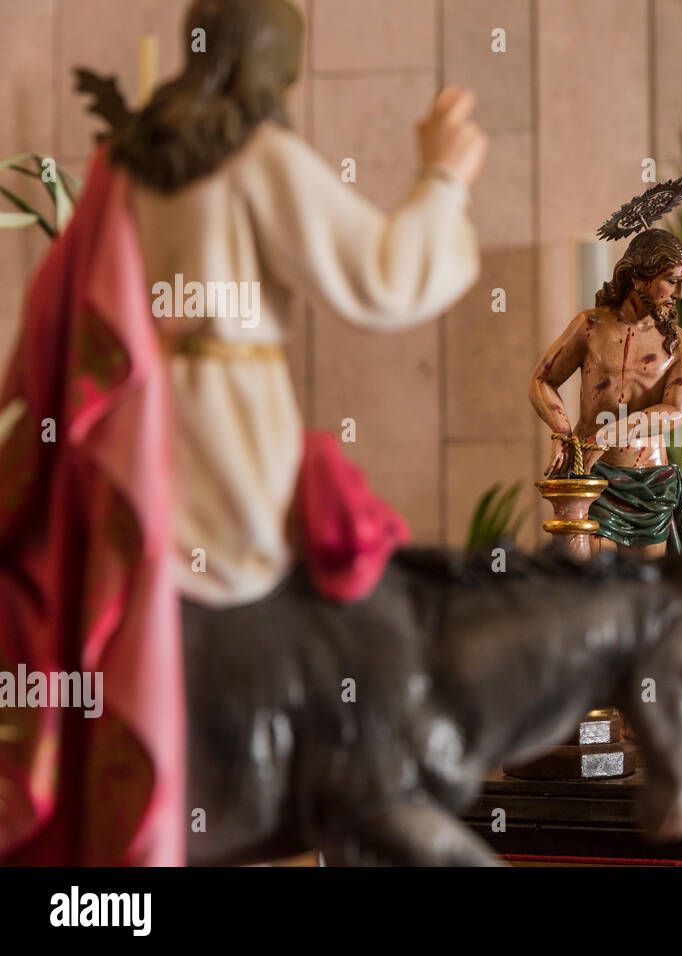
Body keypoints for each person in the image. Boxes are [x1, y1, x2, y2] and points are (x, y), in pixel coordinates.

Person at [0, 0, 486, 864]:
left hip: (135, 443)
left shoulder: (126, 162)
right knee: (312, 594)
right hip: (228, 434)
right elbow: (380, 275)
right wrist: (441, 178)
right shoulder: (257, 159)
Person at [529, 221, 682, 558]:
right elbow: (542, 380)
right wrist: (562, 433)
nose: (679, 295)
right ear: (639, 277)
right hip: (593, 478)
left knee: (647, 593)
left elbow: (677, 411)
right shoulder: (589, 327)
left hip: (650, 485)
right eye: (672, 282)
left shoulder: (681, 346)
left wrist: (609, 434)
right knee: (587, 587)